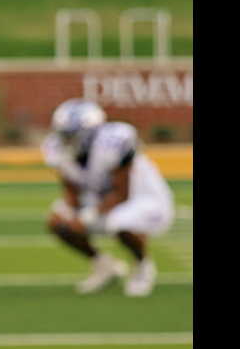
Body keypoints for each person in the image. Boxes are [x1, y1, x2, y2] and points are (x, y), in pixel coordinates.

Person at [42, 98, 174, 297]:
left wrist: (85, 218)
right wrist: (70, 213)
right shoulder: (58, 150)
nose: (64, 141)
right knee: (57, 221)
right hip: (104, 202)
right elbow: (71, 191)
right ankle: (105, 266)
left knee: (119, 222)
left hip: (146, 201)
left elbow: (122, 195)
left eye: (70, 135)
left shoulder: (114, 143)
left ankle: (143, 266)